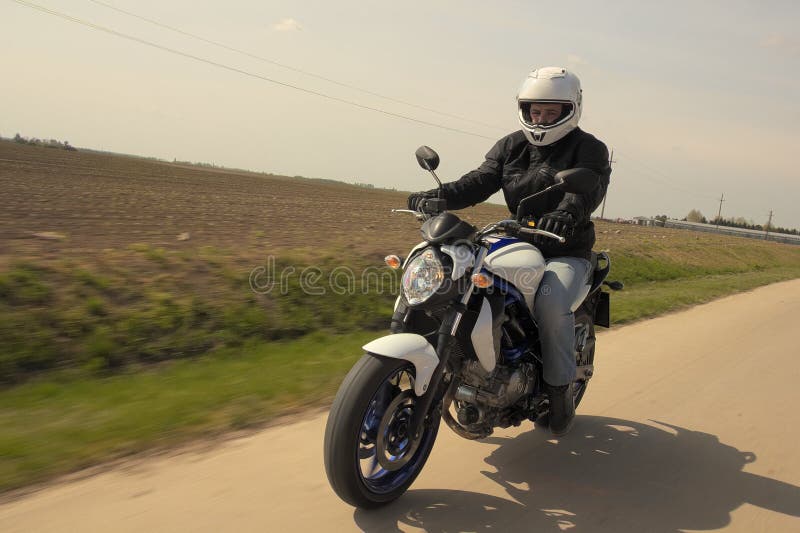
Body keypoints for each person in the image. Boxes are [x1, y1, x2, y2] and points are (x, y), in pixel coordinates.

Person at [407, 67, 611, 436]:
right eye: (535, 111)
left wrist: (565, 215)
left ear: (571, 110)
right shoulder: (511, 145)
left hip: (565, 250)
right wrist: (438, 196)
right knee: (463, 279)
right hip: (516, 242)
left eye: (551, 112)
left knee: (549, 300)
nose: (541, 118)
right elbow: (479, 181)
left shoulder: (590, 148)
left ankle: (560, 393)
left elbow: (585, 191)